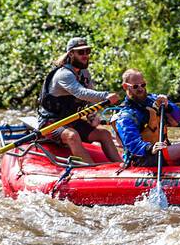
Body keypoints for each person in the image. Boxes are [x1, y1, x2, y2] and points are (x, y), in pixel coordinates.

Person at [37, 37, 120, 165]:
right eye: (81, 52)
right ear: (71, 54)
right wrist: (105, 96)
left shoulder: (84, 74)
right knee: (72, 136)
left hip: (71, 120)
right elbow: (81, 93)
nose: (85, 55)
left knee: (104, 134)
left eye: (87, 51)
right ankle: (92, 171)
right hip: (51, 123)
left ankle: (122, 166)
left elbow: (90, 98)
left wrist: (92, 114)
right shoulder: (64, 74)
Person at [113, 69, 180, 167]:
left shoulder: (154, 100)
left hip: (162, 150)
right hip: (143, 157)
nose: (141, 88)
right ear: (125, 87)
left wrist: (168, 105)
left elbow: (177, 118)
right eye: (136, 86)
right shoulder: (125, 115)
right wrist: (150, 148)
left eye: (143, 85)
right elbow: (132, 143)